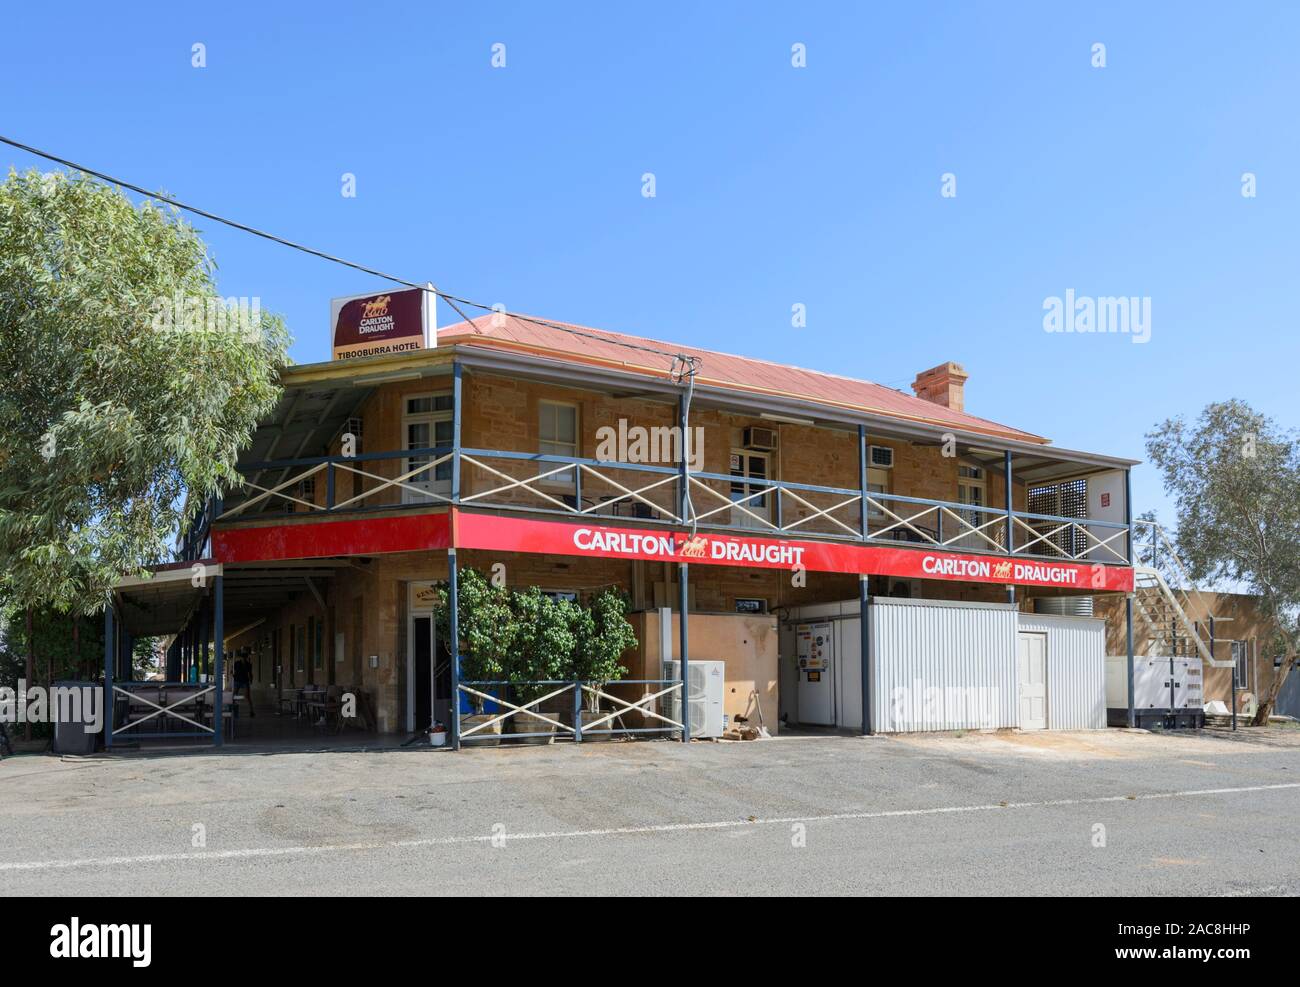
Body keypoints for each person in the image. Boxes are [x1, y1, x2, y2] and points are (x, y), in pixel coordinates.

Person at [233, 648, 255, 717]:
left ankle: (251, 711)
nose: (244, 658)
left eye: (245, 657)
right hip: (238, 680)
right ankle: (232, 709)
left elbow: (250, 673)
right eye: (243, 657)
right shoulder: (237, 663)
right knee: (234, 696)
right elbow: (235, 671)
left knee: (247, 696)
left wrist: (251, 679)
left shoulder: (248, 664)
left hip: (244, 681)